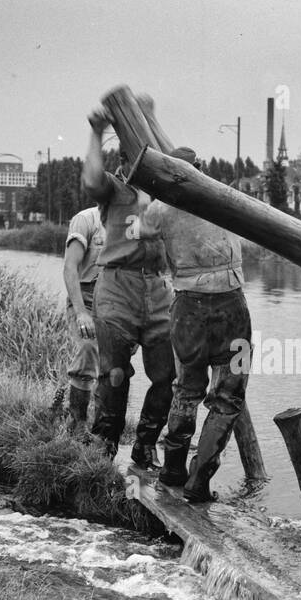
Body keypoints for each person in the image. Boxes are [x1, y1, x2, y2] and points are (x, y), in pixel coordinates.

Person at [148, 147, 251, 503]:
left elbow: (143, 239)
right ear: (200, 170)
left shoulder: (158, 211)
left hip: (187, 308)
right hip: (230, 308)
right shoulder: (222, 199)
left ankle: (173, 469)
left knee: (186, 389)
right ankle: (199, 480)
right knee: (228, 395)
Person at [80, 107, 175, 466]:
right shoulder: (115, 191)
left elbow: (185, 168)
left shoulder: (164, 196)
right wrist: (96, 131)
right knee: (115, 374)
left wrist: (149, 115)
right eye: (130, 158)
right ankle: (105, 442)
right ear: (123, 162)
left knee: (168, 376)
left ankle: (146, 442)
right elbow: (91, 180)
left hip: (157, 290)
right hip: (118, 288)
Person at [57, 203, 105, 427]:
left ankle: (104, 429)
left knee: (114, 364)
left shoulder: (132, 221)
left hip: (116, 300)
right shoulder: (86, 219)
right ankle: (77, 423)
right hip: (85, 297)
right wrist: (80, 313)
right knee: (87, 348)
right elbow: (70, 267)